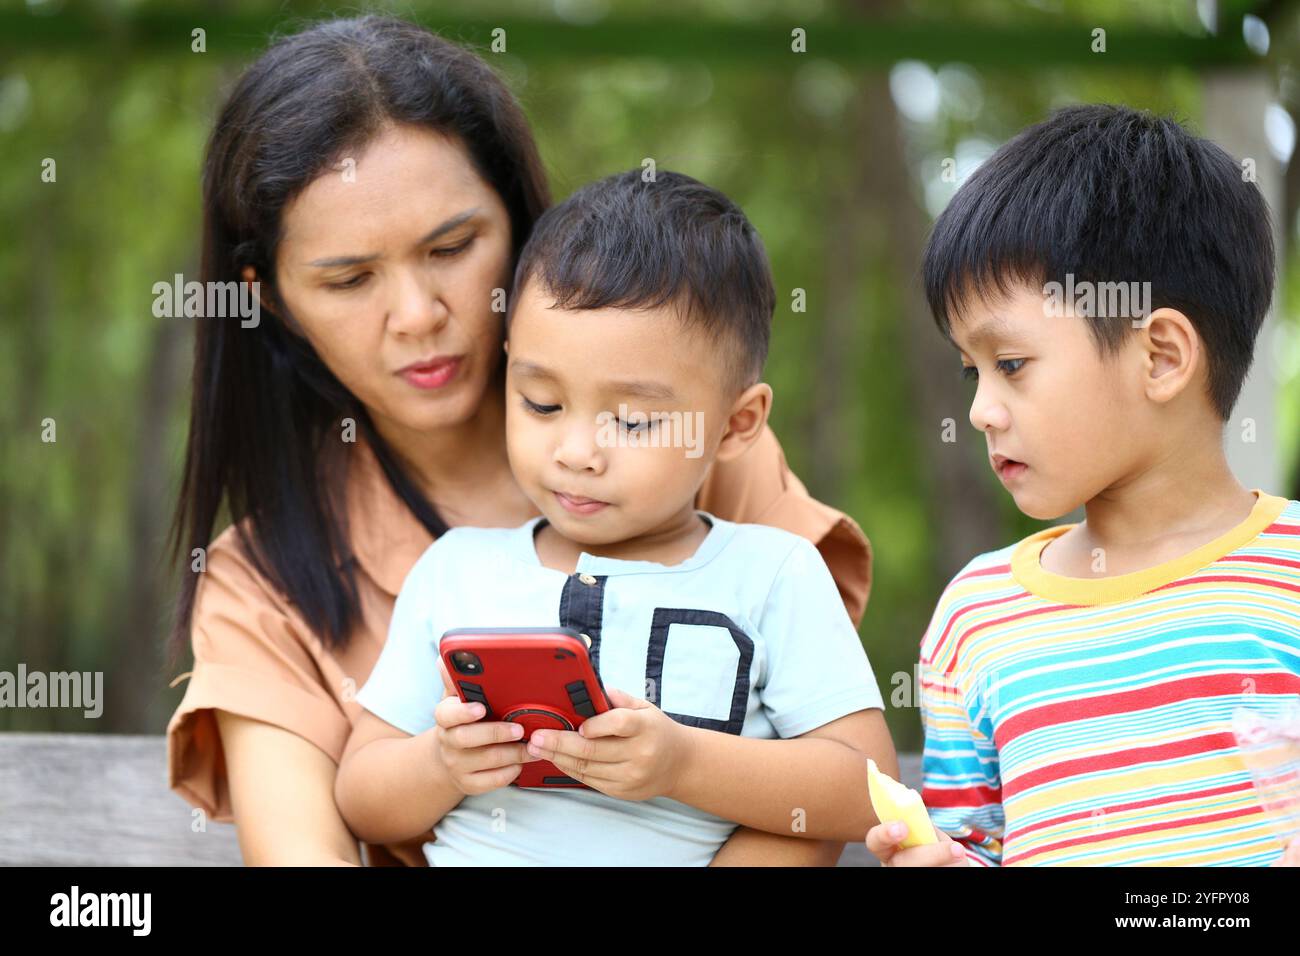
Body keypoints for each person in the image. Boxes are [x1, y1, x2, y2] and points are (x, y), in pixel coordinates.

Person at [165, 15, 875, 867]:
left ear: (518, 225)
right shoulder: (261, 584)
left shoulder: (697, 457)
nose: (419, 316)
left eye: (454, 246)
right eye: (350, 279)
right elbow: (311, 847)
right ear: (273, 300)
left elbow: (812, 797)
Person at [335, 170, 898, 865]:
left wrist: (684, 764)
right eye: (541, 403)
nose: (576, 453)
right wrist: (439, 764)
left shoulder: (773, 574)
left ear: (735, 425)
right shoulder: (458, 570)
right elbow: (362, 797)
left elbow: (866, 788)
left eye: (633, 421)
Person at [866, 104, 1300, 866]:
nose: (979, 411)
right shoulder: (976, 617)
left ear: (1161, 356)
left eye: (1010, 364)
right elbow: (977, 844)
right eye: (971, 372)